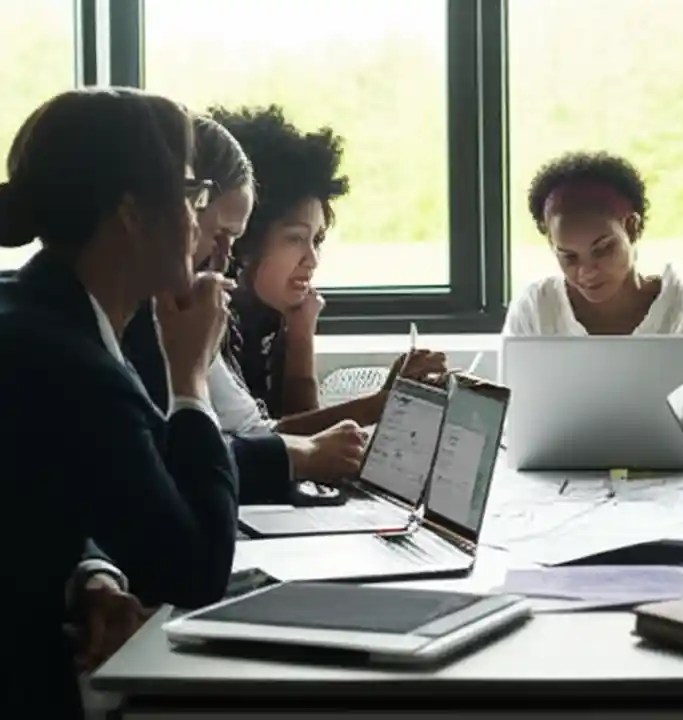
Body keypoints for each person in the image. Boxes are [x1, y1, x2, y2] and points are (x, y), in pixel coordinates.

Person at [0, 88, 238, 717]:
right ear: (131, 215)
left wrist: (89, 576)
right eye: (192, 196)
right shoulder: (72, 367)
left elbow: (30, 518)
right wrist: (190, 378)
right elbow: (195, 572)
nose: (197, 221)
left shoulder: (38, 317)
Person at [122, 116, 367, 493]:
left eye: (316, 240)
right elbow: (175, 471)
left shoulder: (234, 319)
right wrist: (308, 452)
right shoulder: (165, 313)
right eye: (296, 239)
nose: (224, 255)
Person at [211, 104, 445, 432]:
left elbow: (309, 445)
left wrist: (301, 334)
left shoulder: (268, 319)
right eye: (295, 239)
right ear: (244, 240)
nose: (312, 259)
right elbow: (263, 443)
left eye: (317, 240)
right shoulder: (208, 320)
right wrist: (380, 405)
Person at [503, 151, 683, 385]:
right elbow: (513, 411)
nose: (586, 272)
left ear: (631, 228)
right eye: (569, 257)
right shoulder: (536, 309)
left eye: (602, 249)